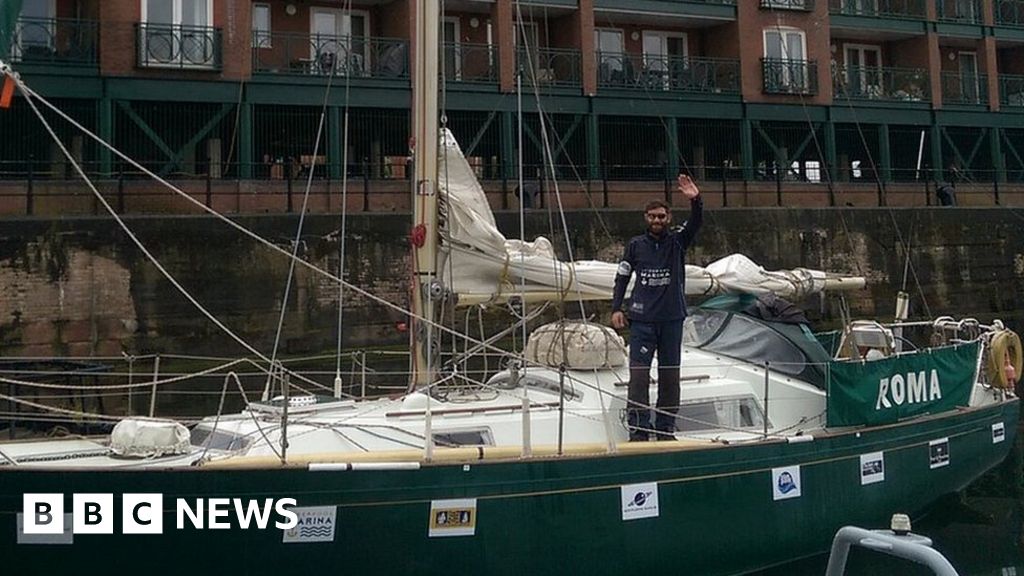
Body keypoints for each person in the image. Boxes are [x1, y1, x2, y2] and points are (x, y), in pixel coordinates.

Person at [611, 175, 703, 441]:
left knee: (670, 377)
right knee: (638, 377)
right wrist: (617, 307)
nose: (657, 221)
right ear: (645, 218)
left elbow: (696, 223)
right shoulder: (635, 246)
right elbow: (622, 276)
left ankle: (665, 428)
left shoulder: (677, 242)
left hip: (672, 320)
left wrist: (696, 200)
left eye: (662, 216)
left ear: (669, 218)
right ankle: (639, 429)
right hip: (641, 321)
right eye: (652, 216)